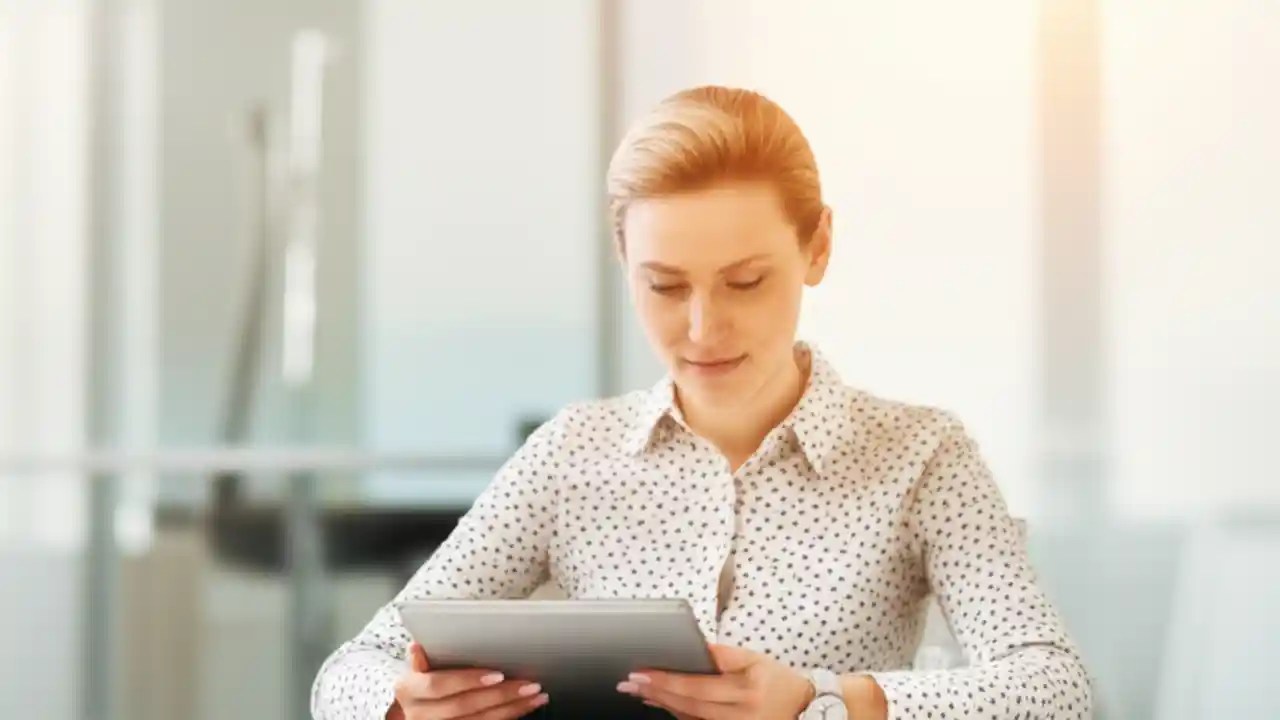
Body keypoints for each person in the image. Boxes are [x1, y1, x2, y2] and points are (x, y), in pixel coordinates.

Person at [311, 85, 1093, 720]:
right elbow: (350, 671)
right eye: (665, 285)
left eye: (746, 282)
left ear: (816, 246)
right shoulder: (572, 454)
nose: (702, 328)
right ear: (625, 261)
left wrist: (825, 702)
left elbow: (1054, 691)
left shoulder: (920, 457)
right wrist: (401, 706)